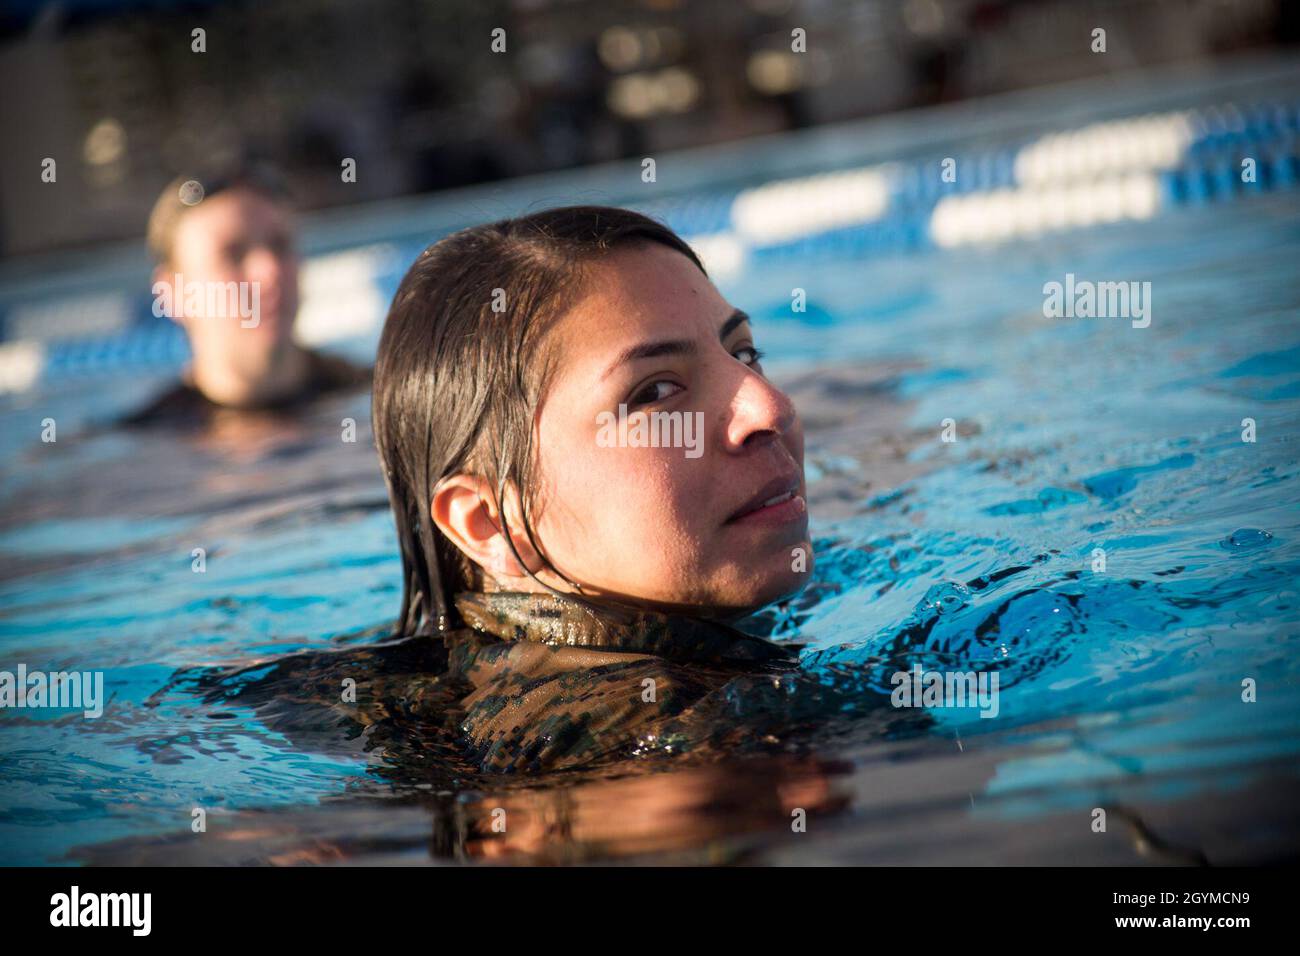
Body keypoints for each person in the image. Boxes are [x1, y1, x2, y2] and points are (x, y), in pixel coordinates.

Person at [122, 162, 368, 428]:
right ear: (172, 293)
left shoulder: (376, 394)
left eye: (279, 244)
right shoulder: (151, 440)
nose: (270, 271)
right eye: (234, 254)